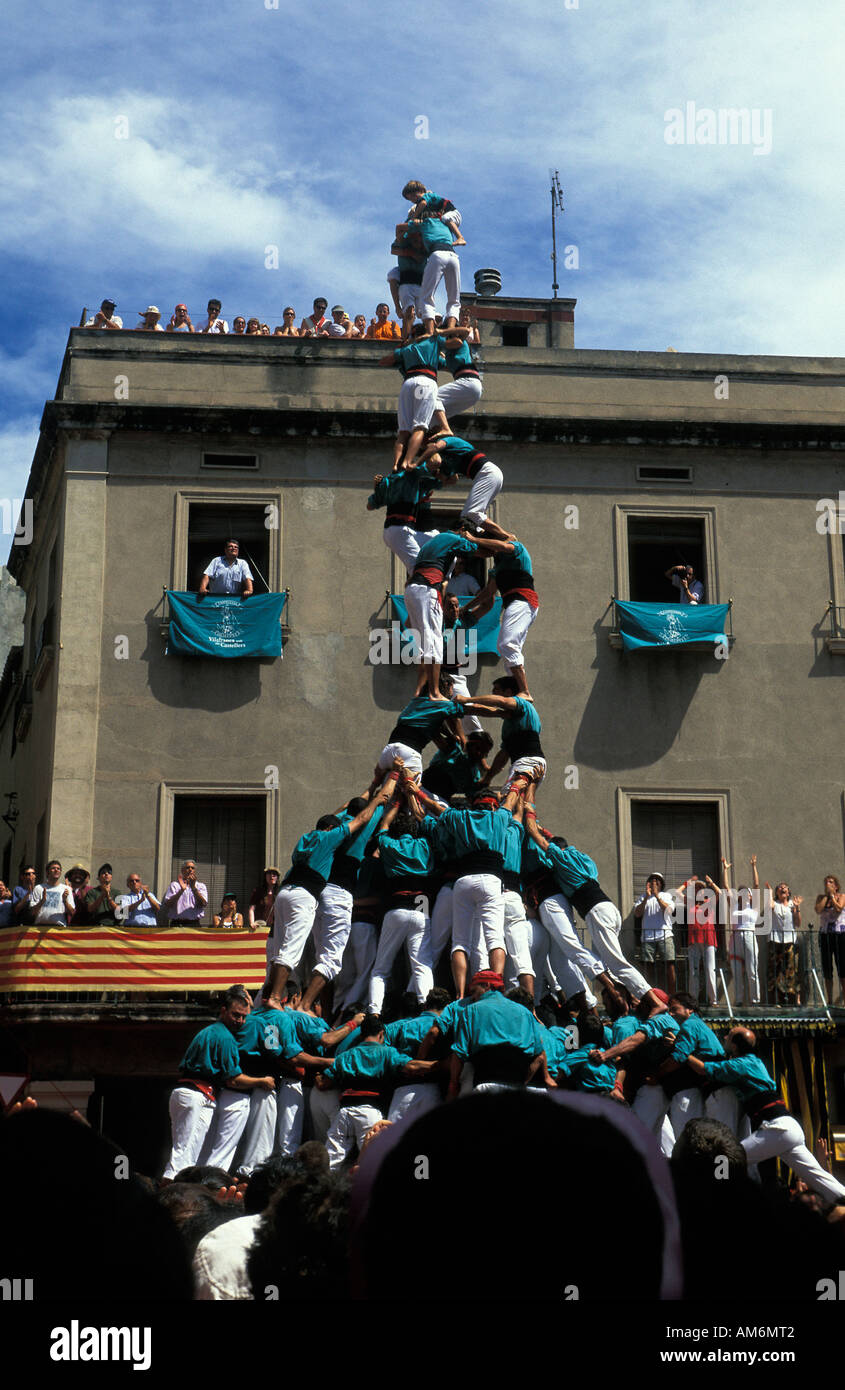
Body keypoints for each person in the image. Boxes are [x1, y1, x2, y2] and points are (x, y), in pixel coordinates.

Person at [523, 777, 663, 1013]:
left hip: (596, 913)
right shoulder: (583, 859)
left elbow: (535, 835)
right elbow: (550, 838)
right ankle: (625, 1000)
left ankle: (653, 1001)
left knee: (617, 964)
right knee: (606, 963)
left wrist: (529, 811)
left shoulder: (562, 858)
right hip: (610, 910)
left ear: (559, 849)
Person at [263, 775, 396, 1010]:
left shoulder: (314, 836)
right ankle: (303, 1005)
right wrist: (393, 778)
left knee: (306, 954)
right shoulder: (345, 833)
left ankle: (295, 1002)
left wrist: (372, 783)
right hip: (330, 895)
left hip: (306, 894)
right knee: (330, 959)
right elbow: (374, 807)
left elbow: (350, 809)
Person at [686, 1025, 845, 1205]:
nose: (724, 1039)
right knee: (819, 1179)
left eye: (728, 1037)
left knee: (725, 1157)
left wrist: (683, 1053)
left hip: (777, 1129)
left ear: (736, 1046)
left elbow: (702, 1069)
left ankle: (719, 1199)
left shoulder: (741, 1065)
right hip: (789, 1129)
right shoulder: (754, 1062)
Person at [163, 985, 274, 1179]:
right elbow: (233, 1080)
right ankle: (178, 1188)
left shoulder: (208, 1031)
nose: (240, 1020)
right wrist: (262, 1081)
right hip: (197, 1095)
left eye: (243, 1016)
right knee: (186, 1153)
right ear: (223, 1010)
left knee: (188, 1150)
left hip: (192, 1094)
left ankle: (186, 1186)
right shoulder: (225, 1037)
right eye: (236, 1015)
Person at [323, 1013, 437, 1168]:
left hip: (343, 1113)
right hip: (369, 1113)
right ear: (382, 1034)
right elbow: (411, 1067)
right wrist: (440, 1065)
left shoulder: (346, 1056)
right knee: (372, 1163)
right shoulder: (386, 1052)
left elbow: (325, 1082)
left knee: (331, 1163)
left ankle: (324, 1191)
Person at [403, 530, 509, 697]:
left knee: (466, 718)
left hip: (454, 677)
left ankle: (425, 692)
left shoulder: (460, 621)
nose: (455, 610)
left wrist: (492, 578)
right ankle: (432, 692)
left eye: (457, 606)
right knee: (432, 646)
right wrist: (498, 547)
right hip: (436, 673)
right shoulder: (453, 540)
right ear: (442, 608)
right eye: (451, 607)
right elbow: (482, 551)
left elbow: (487, 604)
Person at [366, 799, 434, 1015]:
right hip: (421, 906)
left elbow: (383, 827)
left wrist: (396, 801)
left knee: (380, 968)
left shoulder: (388, 844)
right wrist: (413, 796)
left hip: (396, 907)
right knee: (422, 963)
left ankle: (374, 1011)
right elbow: (426, 821)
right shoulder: (425, 844)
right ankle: (427, 1008)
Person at [379, 322, 474, 471]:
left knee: (403, 432)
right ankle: (407, 462)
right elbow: (457, 342)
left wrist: (406, 345)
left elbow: (384, 361)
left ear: (413, 334)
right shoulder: (433, 340)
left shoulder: (407, 347)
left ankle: (396, 464)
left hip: (408, 385)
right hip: (425, 382)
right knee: (420, 426)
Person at [448, 970, 548, 1095]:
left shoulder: (471, 1010)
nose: (473, 997)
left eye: (474, 991)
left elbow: (459, 1053)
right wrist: (523, 1081)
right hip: (518, 1088)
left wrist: (453, 1085)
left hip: (485, 1085)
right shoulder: (525, 1012)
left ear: (487, 985)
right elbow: (539, 1055)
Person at [462, 542, 539, 697]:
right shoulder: (496, 568)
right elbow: (488, 594)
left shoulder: (515, 551)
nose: (479, 555)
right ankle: (515, 688)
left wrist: (472, 537)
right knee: (506, 648)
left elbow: (504, 542)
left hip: (523, 600)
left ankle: (524, 691)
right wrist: (467, 608)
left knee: (507, 644)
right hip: (515, 604)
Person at [420, 435, 509, 539]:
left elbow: (435, 456)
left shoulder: (448, 440)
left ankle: (506, 536)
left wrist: (418, 463)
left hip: (487, 473)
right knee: (469, 518)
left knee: (471, 514)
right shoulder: (447, 461)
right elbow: (453, 479)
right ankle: (485, 538)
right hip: (487, 475)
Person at [466, 677, 546, 788]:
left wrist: (466, 700)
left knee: (507, 801)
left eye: (496, 690)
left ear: (508, 692)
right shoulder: (511, 723)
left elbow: (502, 701)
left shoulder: (522, 703)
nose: (493, 693)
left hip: (527, 763)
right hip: (528, 764)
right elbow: (504, 755)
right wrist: (487, 779)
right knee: (519, 802)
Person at [366, 462, 440, 577]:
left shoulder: (389, 483)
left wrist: (379, 490)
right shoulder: (408, 482)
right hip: (402, 528)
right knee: (419, 568)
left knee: (424, 566)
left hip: (406, 529)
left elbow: (370, 505)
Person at [724, 855, 760, 1006]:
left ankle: (755, 1000)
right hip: (736, 939)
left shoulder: (754, 907)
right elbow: (726, 888)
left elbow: (757, 885)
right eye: (742, 892)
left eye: (747, 892)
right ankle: (738, 1000)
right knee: (737, 972)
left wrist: (753, 866)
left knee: (752, 971)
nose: (744, 894)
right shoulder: (734, 906)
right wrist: (725, 870)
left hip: (750, 937)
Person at [634, 872, 677, 994]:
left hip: (665, 935)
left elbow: (669, 910)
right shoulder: (643, 897)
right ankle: (650, 996)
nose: (654, 882)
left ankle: (672, 996)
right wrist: (647, 897)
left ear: (661, 884)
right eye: (652, 880)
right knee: (648, 967)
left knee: (669, 965)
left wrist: (657, 896)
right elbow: (637, 913)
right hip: (647, 937)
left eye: (657, 880)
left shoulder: (666, 895)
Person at [765, 876, 801, 1005]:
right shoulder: (775, 903)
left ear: (788, 892)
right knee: (775, 970)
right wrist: (769, 892)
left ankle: (793, 998)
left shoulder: (792, 904)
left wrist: (797, 908)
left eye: (785, 887)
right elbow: (770, 905)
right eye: (780, 888)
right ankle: (776, 1000)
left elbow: (797, 923)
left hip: (789, 940)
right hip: (776, 940)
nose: (782, 889)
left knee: (791, 969)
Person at [815, 874, 845, 1005]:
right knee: (827, 969)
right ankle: (830, 999)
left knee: (842, 968)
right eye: (826, 882)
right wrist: (827, 896)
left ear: (836, 886)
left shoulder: (842, 896)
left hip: (840, 935)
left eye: (831, 882)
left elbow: (839, 908)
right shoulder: (821, 898)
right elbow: (818, 909)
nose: (828, 884)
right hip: (826, 935)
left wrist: (832, 896)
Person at [29, 859, 76, 926]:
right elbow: (32, 912)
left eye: (58, 869)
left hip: (58, 928)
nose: (56, 870)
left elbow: (72, 912)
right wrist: (42, 901)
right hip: (40, 927)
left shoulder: (66, 889)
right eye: (53, 868)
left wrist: (65, 901)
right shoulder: (38, 888)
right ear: (47, 872)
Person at [164, 860, 208, 924]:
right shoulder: (175, 885)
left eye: (192, 868)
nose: (190, 870)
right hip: (177, 924)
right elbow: (168, 904)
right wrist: (181, 891)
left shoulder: (201, 886)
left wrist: (193, 888)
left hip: (194, 924)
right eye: (187, 867)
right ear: (182, 870)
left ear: (194, 871)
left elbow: (203, 904)